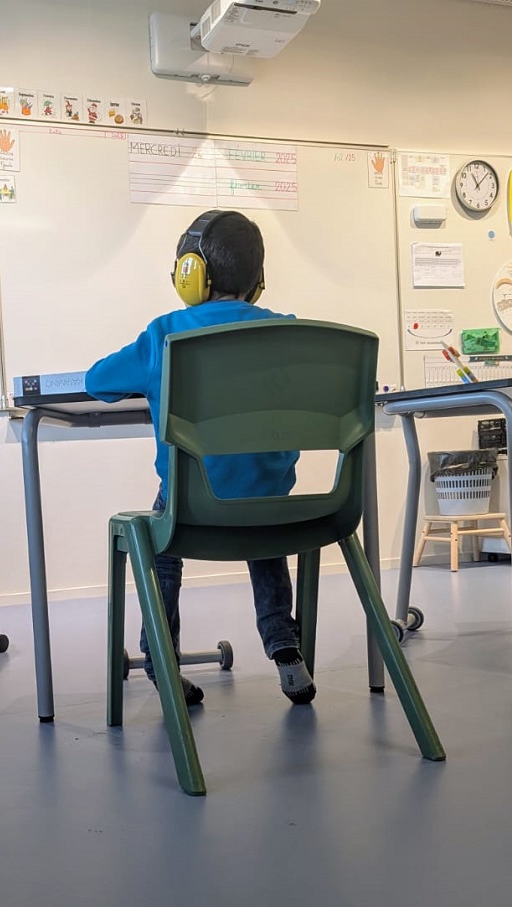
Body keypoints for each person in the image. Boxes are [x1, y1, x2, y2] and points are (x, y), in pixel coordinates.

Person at [85, 209, 317, 707]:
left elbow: (96, 381)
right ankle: (285, 647)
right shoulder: (289, 333)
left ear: (191, 272)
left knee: (161, 538)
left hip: (194, 510)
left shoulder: (166, 333)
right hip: (275, 511)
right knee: (261, 509)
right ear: (257, 283)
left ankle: (161, 658)